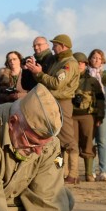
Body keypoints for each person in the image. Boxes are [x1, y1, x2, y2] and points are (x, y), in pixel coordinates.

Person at [24, 35, 80, 183]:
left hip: (63, 102)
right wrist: (37, 72)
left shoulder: (69, 63)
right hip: (53, 102)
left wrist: (39, 73)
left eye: (55, 45)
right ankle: (61, 171)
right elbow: (47, 81)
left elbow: (56, 83)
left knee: (68, 139)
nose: (53, 48)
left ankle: (73, 173)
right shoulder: (58, 61)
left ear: (62, 46)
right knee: (56, 141)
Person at [71, 53, 106, 181]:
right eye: (77, 62)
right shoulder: (67, 79)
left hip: (88, 115)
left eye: (82, 63)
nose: (79, 65)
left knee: (88, 144)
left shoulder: (92, 81)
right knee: (70, 144)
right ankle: (70, 173)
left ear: (86, 64)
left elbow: (101, 99)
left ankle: (89, 173)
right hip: (70, 116)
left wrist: (100, 116)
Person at [87, 50, 106, 181]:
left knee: (103, 141)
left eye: (99, 58)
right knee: (90, 141)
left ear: (103, 60)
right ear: (90, 59)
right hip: (89, 110)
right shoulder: (86, 75)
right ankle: (90, 171)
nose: (96, 60)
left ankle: (104, 171)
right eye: (94, 57)